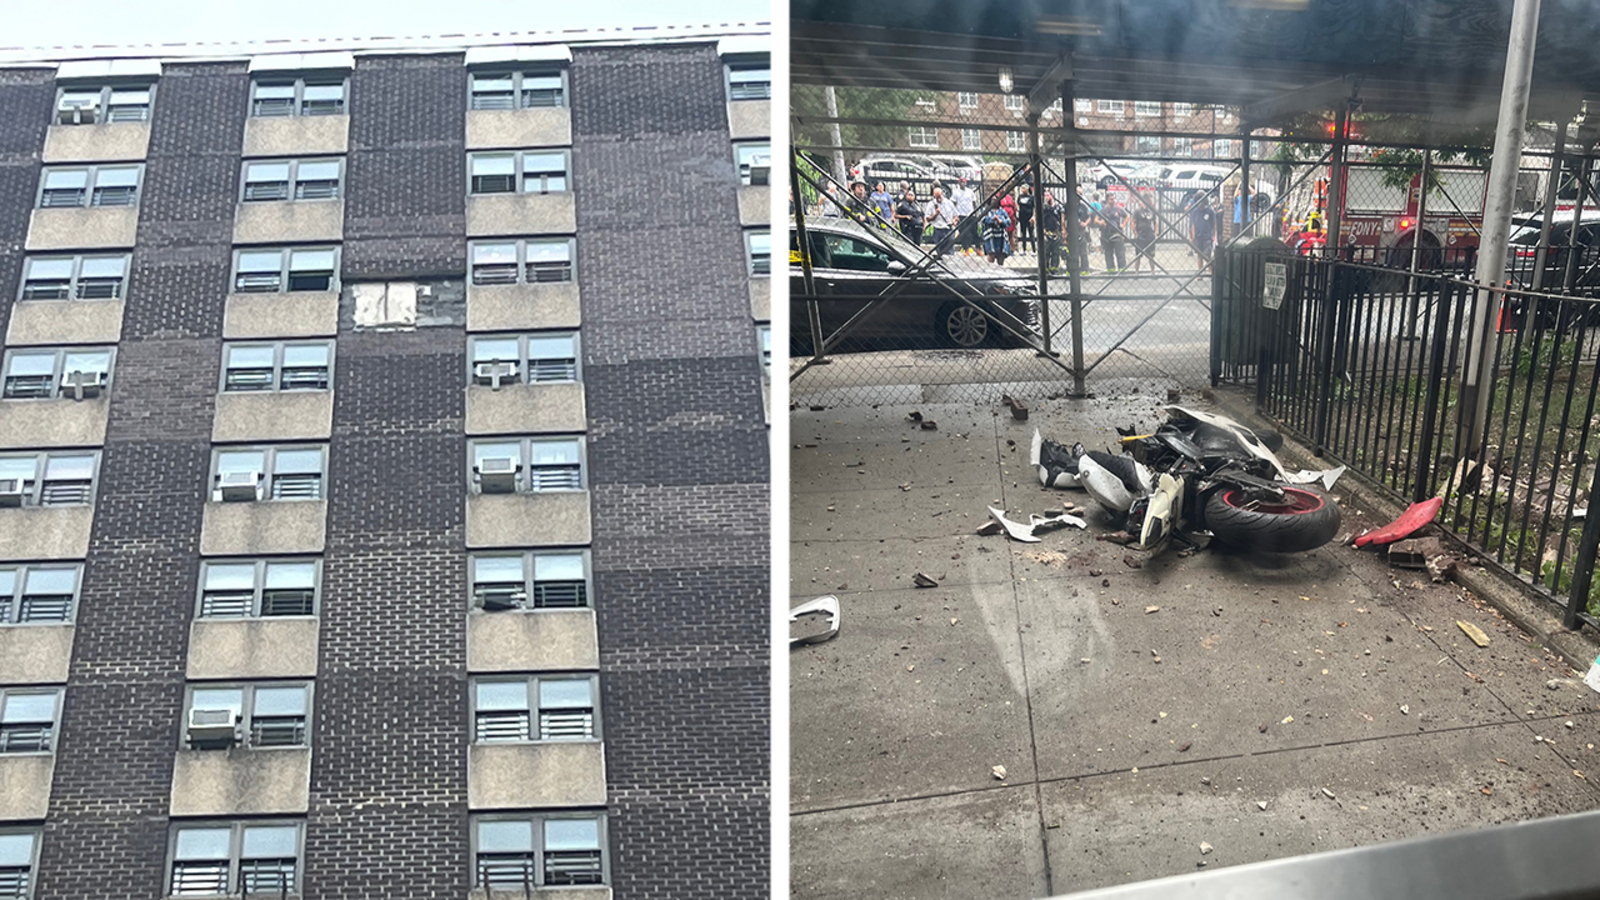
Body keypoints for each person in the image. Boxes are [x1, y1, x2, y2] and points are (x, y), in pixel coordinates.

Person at [1095, 197, 1128, 273]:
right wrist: (1100, 222)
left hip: (1117, 234)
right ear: (1107, 200)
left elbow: (1127, 216)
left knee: (1120, 253)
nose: (1113, 200)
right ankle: (1111, 270)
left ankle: (1122, 270)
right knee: (1108, 254)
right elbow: (1096, 219)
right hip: (1106, 234)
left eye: (1114, 199)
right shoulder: (1103, 210)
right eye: (1111, 199)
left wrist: (1123, 225)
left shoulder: (1118, 209)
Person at [924, 186, 958, 253]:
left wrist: (954, 221)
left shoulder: (949, 203)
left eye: (939, 196)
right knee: (939, 251)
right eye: (936, 197)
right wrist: (936, 214)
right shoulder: (931, 204)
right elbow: (928, 218)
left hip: (948, 229)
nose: (938, 199)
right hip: (938, 230)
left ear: (942, 194)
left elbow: (956, 216)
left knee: (950, 250)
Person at [980, 198, 1012, 264]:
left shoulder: (1002, 211)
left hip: (1001, 236)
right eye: (992, 200)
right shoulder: (986, 210)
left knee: (1001, 255)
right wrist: (993, 219)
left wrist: (1001, 221)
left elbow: (1008, 221)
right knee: (991, 254)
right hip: (990, 236)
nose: (994, 201)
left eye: (995, 200)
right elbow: (983, 219)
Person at [1189, 194, 1217, 266]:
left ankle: (1210, 272)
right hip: (1198, 236)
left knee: (1207, 255)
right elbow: (1193, 224)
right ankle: (1200, 273)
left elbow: (1213, 224)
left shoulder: (1210, 211)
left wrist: (1214, 236)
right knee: (1199, 255)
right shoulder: (1195, 211)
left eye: (1201, 201)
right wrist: (1193, 236)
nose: (1200, 203)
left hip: (1207, 236)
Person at [1038, 190, 1063, 273]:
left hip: (1056, 231)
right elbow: (1040, 219)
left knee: (1056, 251)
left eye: (1048, 195)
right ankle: (1045, 268)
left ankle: (1054, 268)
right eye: (1045, 196)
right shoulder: (1044, 208)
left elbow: (1061, 218)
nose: (1046, 197)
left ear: (1052, 196)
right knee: (1046, 252)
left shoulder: (1058, 207)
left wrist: (1062, 230)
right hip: (1047, 232)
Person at [951, 177, 978, 253]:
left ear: (966, 183)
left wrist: (975, 212)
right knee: (963, 232)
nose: (962, 183)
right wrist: (954, 214)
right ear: (959, 183)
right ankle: (966, 248)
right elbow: (953, 203)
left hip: (970, 214)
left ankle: (976, 247)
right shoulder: (956, 192)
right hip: (961, 215)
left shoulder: (970, 192)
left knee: (973, 232)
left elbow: (974, 202)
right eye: (961, 182)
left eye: (964, 182)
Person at [1131, 201, 1157, 273]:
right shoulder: (1138, 211)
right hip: (1140, 235)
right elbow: (1133, 221)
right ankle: (1136, 271)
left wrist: (1155, 233)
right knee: (1138, 255)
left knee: (1151, 256)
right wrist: (1135, 233)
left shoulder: (1151, 211)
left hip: (1149, 235)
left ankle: (1153, 271)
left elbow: (1155, 222)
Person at [1016, 184, 1035, 253]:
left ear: (1027, 189)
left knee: (1031, 233)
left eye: (1024, 188)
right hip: (1022, 217)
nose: (1022, 190)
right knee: (1023, 233)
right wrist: (1018, 209)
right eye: (1022, 188)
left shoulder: (1031, 197)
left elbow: (1034, 207)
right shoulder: (1020, 197)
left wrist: (1033, 216)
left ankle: (1034, 250)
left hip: (1029, 217)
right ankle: (1024, 249)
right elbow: (1017, 203)